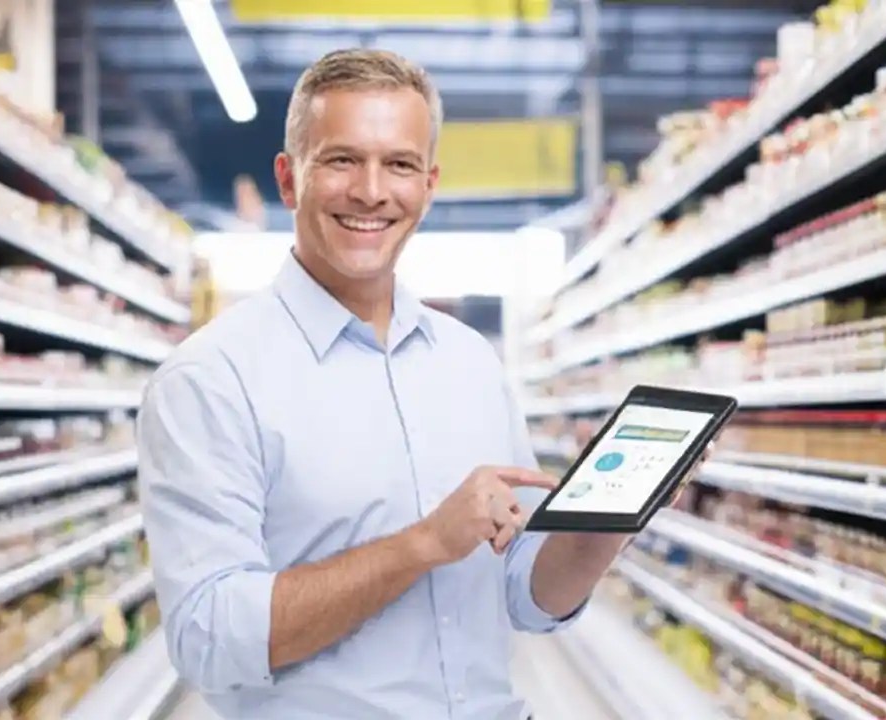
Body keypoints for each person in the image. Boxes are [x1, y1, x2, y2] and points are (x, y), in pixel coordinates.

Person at [137, 48, 635, 719]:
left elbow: (521, 594)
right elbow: (210, 638)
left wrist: (603, 528)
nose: (372, 191)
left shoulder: (471, 363)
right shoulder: (211, 379)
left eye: (399, 164)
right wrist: (422, 545)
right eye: (342, 160)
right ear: (289, 180)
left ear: (428, 185)